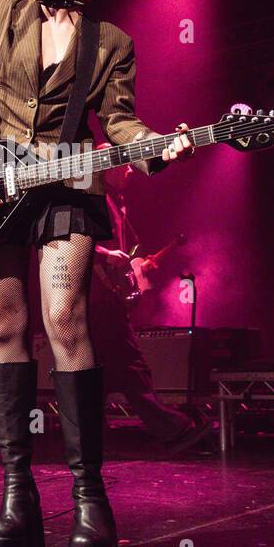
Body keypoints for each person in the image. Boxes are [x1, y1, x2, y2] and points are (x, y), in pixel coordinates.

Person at [0, 0, 195, 547]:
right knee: (5, 325)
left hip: (68, 183)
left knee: (66, 320)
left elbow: (121, 122)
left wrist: (158, 147)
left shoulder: (109, 41)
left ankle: (90, 502)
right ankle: (17, 500)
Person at [91, 144, 214, 453]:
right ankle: (172, 429)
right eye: (125, 165)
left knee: (100, 372)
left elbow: (123, 255)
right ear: (106, 167)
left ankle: (88, 439)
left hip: (107, 297)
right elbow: (70, 242)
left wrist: (135, 268)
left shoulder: (117, 204)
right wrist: (108, 256)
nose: (131, 169)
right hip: (97, 298)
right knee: (131, 366)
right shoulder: (93, 200)